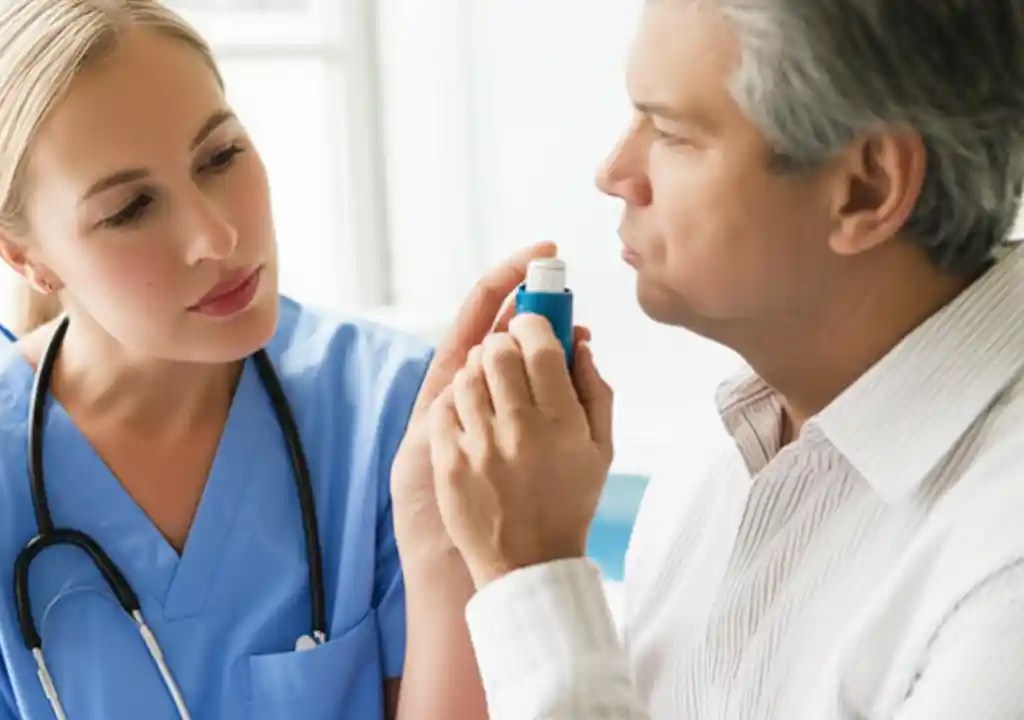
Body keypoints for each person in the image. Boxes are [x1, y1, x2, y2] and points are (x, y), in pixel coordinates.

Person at [0, 1, 488, 717]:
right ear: (24, 258)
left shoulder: (397, 411)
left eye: (220, 157)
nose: (216, 237)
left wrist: (448, 554)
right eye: (130, 209)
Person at [391, 0, 1024, 718]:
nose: (613, 172)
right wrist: (453, 552)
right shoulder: (714, 468)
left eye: (670, 133)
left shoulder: (1002, 564)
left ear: (865, 189)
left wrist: (532, 577)